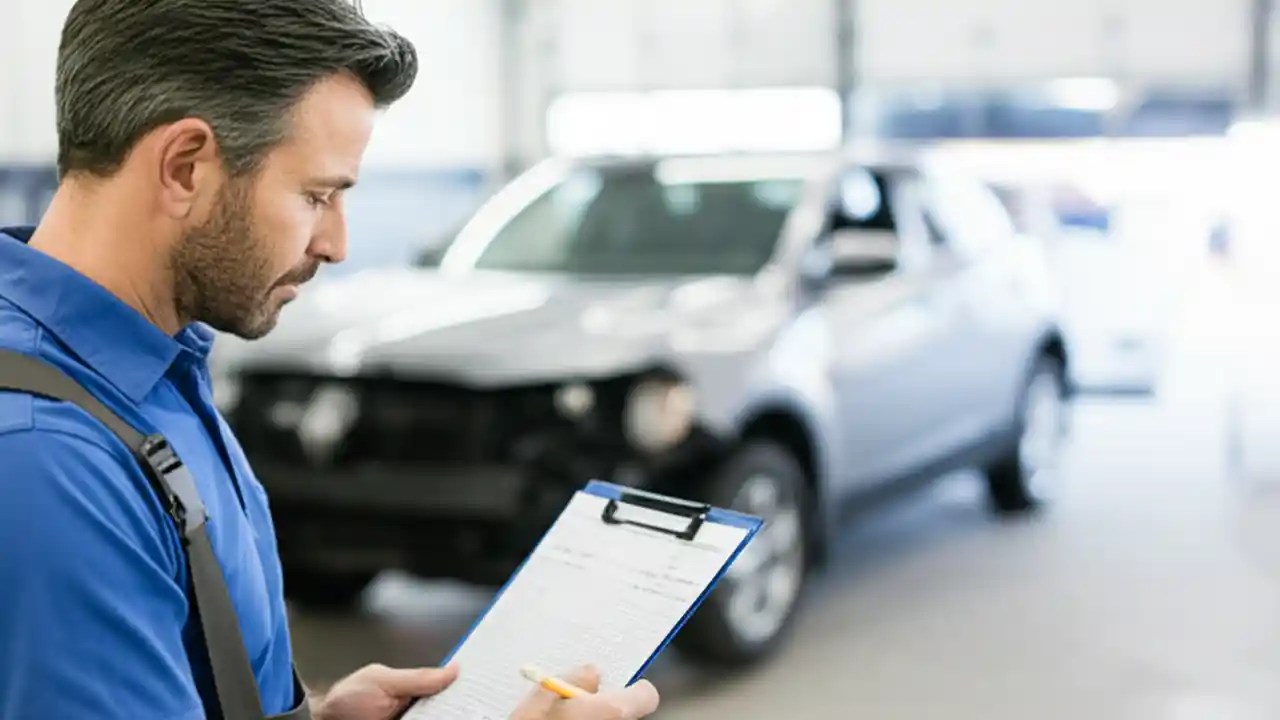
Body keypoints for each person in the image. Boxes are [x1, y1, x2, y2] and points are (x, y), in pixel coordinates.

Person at [0, 1, 661, 719]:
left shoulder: (147, 367)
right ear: (185, 167)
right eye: (316, 196)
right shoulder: (46, 462)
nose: (336, 243)